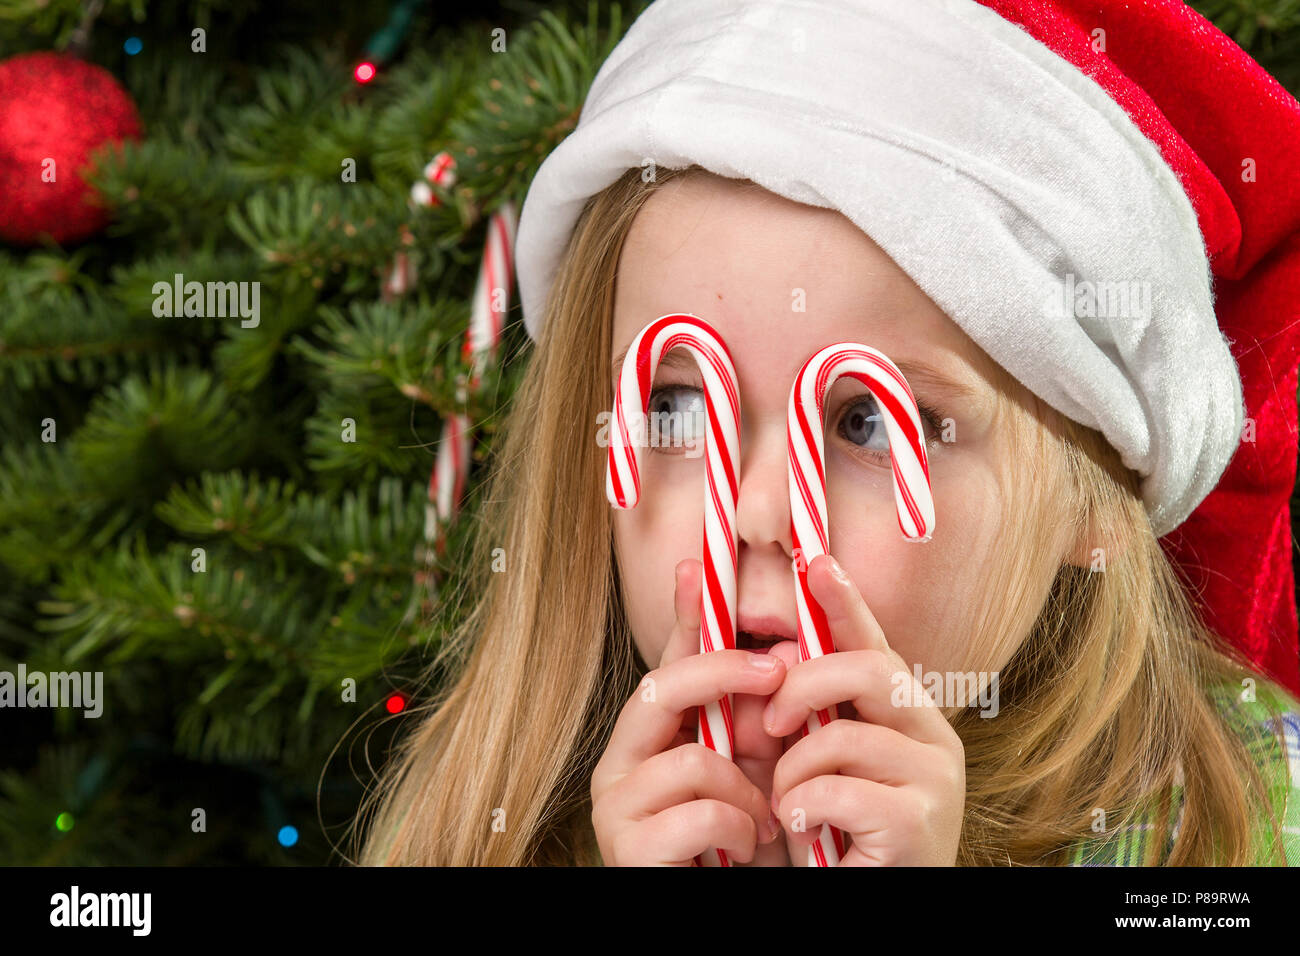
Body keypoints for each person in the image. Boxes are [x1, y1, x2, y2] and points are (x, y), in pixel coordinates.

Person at [354, 0, 1300, 865]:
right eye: (677, 410)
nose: (762, 512)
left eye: (866, 422)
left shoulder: (1227, 825)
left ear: (1093, 496)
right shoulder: (487, 826)